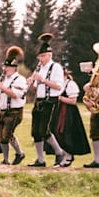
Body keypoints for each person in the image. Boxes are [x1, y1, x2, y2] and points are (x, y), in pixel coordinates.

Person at [26, 33, 67, 167]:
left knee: (44, 130)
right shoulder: (39, 68)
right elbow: (36, 88)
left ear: (49, 55)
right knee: (35, 131)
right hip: (39, 100)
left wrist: (43, 80)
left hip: (50, 101)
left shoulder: (56, 67)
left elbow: (59, 86)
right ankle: (40, 159)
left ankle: (59, 152)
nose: (40, 59)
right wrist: (30, 83)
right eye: (39, 56)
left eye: (43, 56)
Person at [0, 46, 28, 165]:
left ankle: (17, 154)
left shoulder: (20, 79)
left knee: (6, 135)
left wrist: (2, 87)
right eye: (4, 67)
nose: (4, 69)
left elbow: (15, 95)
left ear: (14, 68)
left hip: (14, 111)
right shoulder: (4, 80)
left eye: (7, 67)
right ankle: (9, 158)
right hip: (3, 111)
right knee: (3, 136)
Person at [50, 67, 89, 166]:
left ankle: (68, 156)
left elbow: (73, 101)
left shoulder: (70, 84)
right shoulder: (58, 84)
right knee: (55, 132)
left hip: (67, 111)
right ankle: (60, 155)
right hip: (57, 110)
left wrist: (59, 98)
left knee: (66, 133)